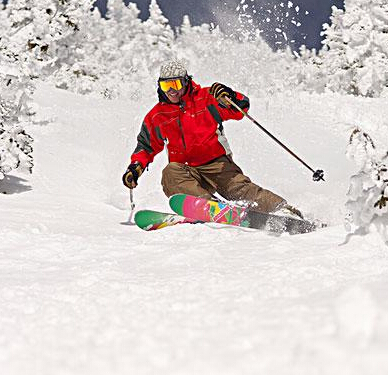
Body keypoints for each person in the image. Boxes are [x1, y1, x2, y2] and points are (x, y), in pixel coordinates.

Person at [122, 59, 301, 217]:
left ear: (185, 82)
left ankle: (283, 211)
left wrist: (229, 97)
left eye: (175, 85)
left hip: (217, 164)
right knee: (170, 173)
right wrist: (135, 168)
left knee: (240, 189)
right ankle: (210, 206)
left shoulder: (206, 98)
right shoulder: (157, 116)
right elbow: (146, 146)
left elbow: (240, 110)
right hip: (186, 170)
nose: (171, 91)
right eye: (166, 86)